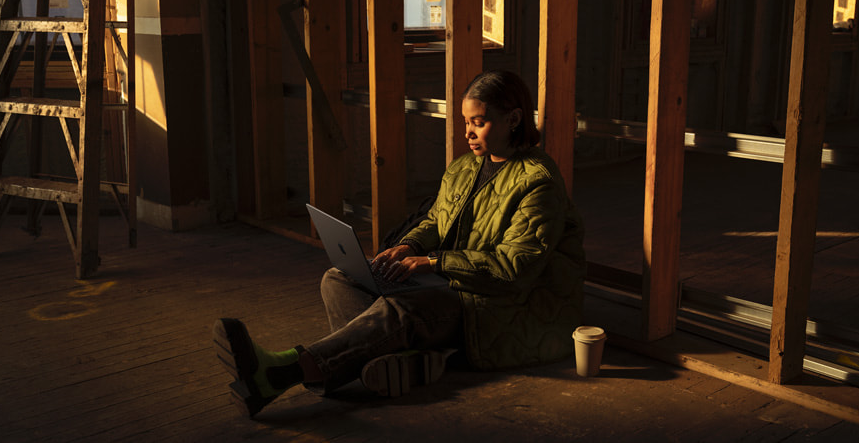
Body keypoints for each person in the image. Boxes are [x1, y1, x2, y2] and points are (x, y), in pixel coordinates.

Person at [213, 69, 585, 418]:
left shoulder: (538, 182)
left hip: (498, 303)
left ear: (514, 120)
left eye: (478, 122)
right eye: (465, 122)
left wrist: (434, 263)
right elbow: (435, 221)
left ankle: (281, 372)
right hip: (452, 283)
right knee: (338, 279)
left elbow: (513, 270)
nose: (468, 133)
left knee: (401, 308)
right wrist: (409, 247)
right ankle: (405, 359)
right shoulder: (464, 167)